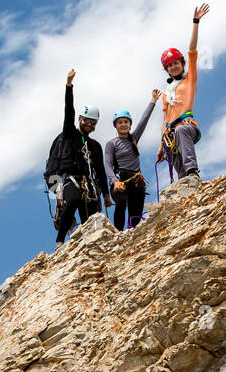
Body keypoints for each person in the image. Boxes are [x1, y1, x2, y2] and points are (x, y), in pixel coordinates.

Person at [45, 69, 108, 244]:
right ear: (80, 119)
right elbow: (68, 110)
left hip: (89, 183)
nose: (89, 124)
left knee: (91, 213)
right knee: (73, 200)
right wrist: (69, 85)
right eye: (86, 120)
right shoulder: (69, 134)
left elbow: (100, 170)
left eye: (92, 122)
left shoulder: (95, 146)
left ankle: (91, 242)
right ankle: (59, 241)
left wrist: (107, 196)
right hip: (68, 179)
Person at [156, 3, 211, 181]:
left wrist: (195, 22)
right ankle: (185, 185)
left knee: (181, 133)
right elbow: (165, 121)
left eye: (175, 63)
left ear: (182, 63)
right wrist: (160, 146)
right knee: (180, 175)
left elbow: (192, 51)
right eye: (169, 66)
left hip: (187, 127)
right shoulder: (166, 93)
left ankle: (193, 171)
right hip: (170, 134)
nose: (173, 67)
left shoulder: (190, 79)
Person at [105, 90, 159, 230]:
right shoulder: (111, 143)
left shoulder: (133, 138)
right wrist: (115, 181)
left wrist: (152, 101)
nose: (123, 124)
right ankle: (118, 233)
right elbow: (108, 165)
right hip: (120, 179)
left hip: (136, 180)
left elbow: (144, 120)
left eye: (126, 122)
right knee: (121, 203)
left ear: (129, 124)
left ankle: (133, 236)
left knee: (136, 213)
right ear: (115, 125)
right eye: (120, 122)